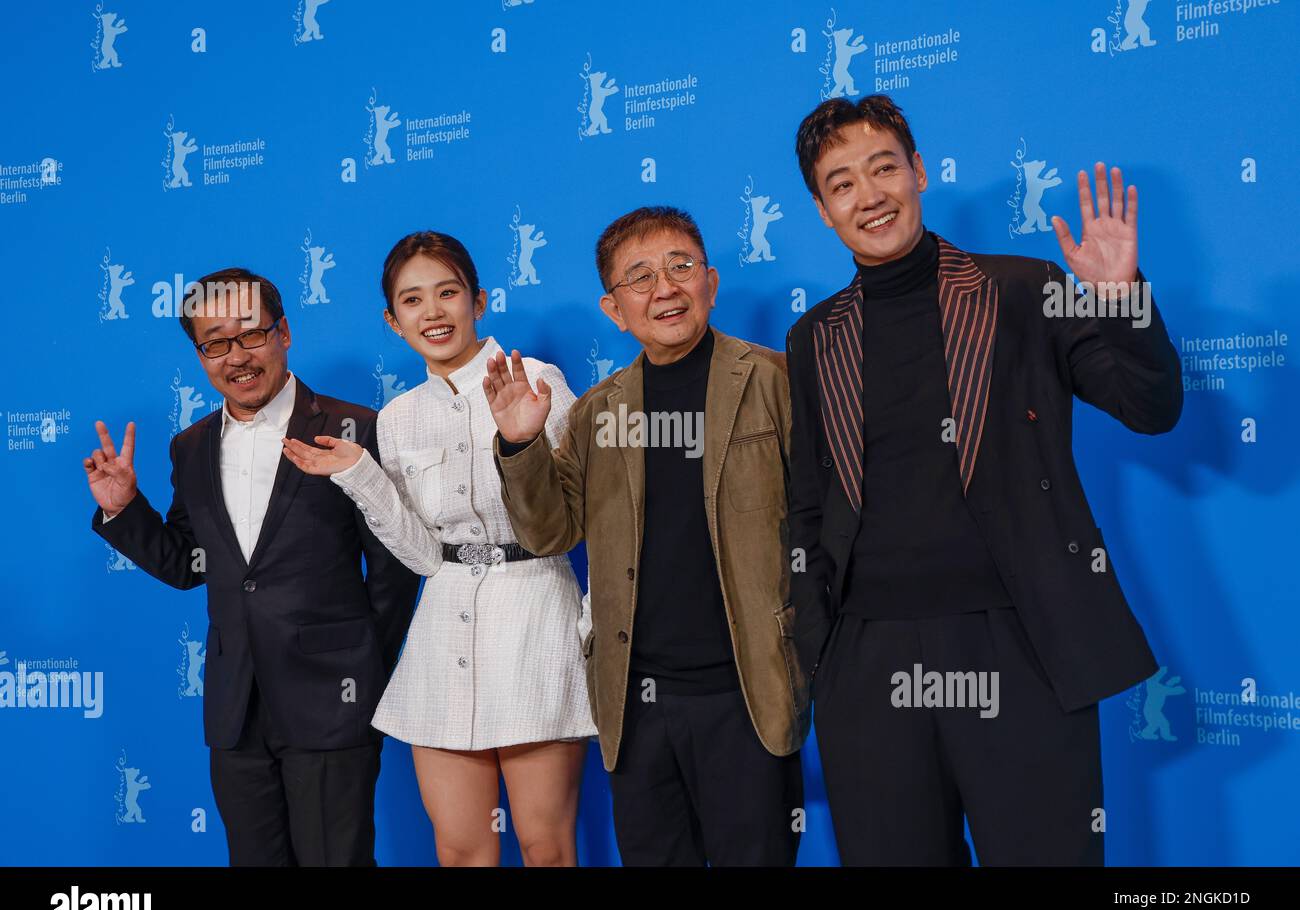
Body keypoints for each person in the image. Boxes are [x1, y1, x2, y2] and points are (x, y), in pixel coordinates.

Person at [786, 95, 1183, 865]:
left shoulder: (1023, 290)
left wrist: (1122, 298)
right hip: (868, 668)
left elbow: (1151, 408)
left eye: (883, 168)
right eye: (842, 184)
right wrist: (820, 651)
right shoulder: (814, 336)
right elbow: (807, 501)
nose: (869, 195)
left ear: (920, 173)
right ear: (822, 208)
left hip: (1019, 642)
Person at [484, 206, 808, 866]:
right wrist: (521, 444)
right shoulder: (598, 411)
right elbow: (550, 531)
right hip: (638, 705)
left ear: (710, 282)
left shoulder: (777, 381)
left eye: (680, 266)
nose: (665, 287)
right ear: (614, 308)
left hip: (749, 693)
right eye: (639, 277)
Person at [85, 268, 419, 866]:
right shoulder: (189, 446)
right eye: (215, 343)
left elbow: (394, 568)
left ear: (283, 332)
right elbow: (192, 564)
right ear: (200, 353)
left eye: (251, 335)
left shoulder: (353, 427)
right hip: (235, 709)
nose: (236, 356)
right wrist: (125, 512)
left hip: (332, 701)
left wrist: (364, 671)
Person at [281, 232, 595, 867]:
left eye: (448, 293)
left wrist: (521, 442)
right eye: (413, 300)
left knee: (547, 848)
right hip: (441, 635)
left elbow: (578, 520)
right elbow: (424, 557)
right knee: (459, 851)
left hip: (536, 619)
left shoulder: (540, 382)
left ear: (478, 299)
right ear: (393, 322)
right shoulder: (397, 418)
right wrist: (360, 474)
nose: (434, 313)